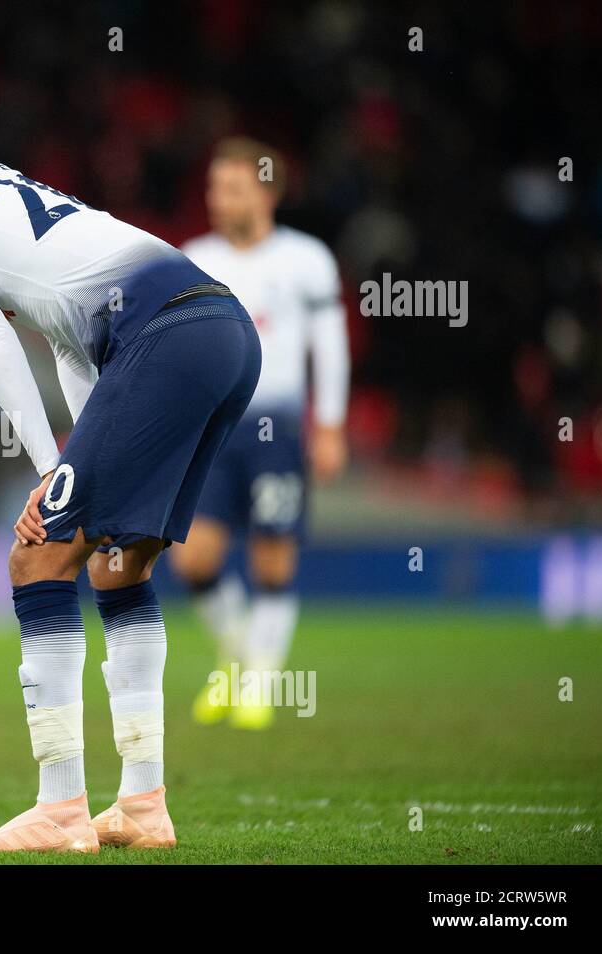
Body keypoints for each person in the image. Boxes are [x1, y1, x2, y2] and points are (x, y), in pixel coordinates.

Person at [0, 88, 261, 852]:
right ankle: (142, 803)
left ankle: (60, 808)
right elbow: (75, 346)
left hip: (164, 336)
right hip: (224, 330)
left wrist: (49, 470)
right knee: (114, 561)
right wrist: (77, 461)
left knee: (37, 551)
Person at [171, 138, 350, 730]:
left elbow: (329, 346)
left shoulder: (307, 260)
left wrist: (329, 423)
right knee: (193, 556)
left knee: (273, 554)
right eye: (213, 189)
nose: (219, 201)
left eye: (233, 189)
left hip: (279, 425)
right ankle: (238, 659)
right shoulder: (193, 258)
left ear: (267, 191)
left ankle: (261, 680)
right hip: (211, 427)